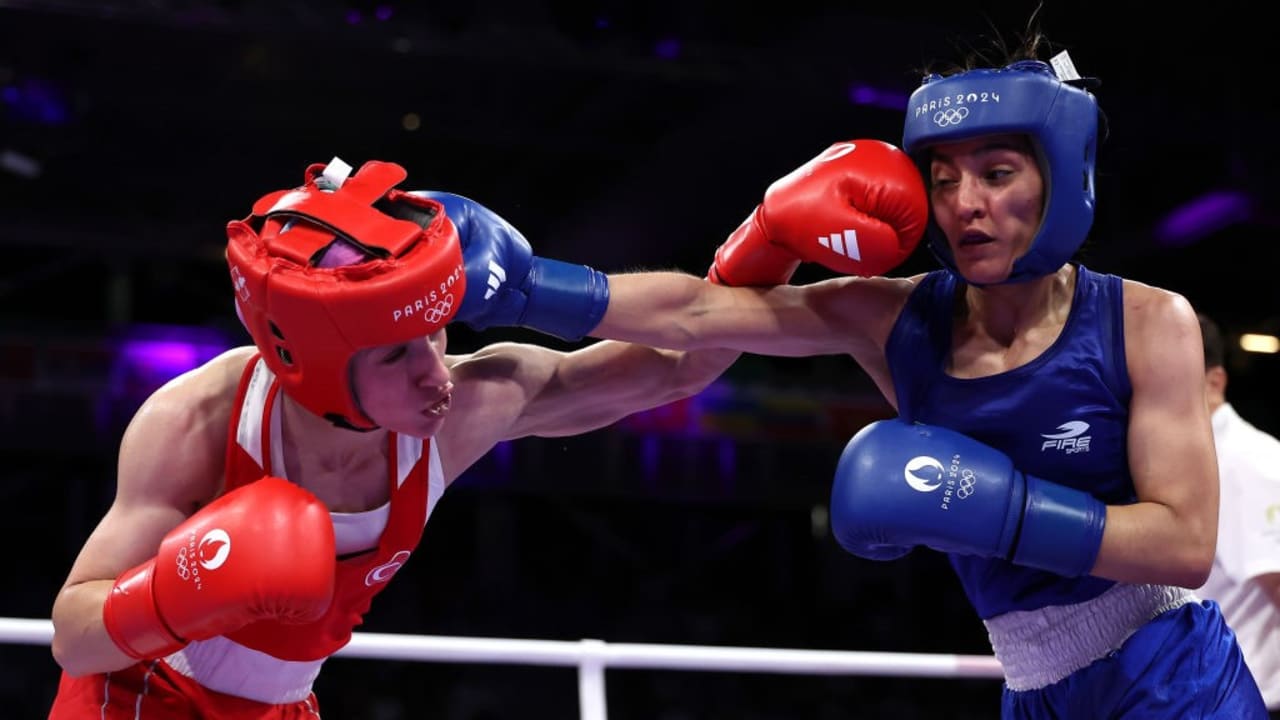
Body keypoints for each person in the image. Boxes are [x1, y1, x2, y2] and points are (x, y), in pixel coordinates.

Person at [570, 30, 1270, 718]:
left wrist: (1003, 512)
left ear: (1058, 175)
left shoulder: (1146, 322)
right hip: (1033, 690)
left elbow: (1184, 546)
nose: (966, 202)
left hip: (1171, 678)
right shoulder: (895, 318)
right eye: (943, 181)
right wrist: (524, 288)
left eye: (997, 174)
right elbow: (696, 311)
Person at [45, 156, 753, 717]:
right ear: (317, 365)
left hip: (280, 710)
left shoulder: (471, 404)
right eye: (395, 354)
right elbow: (74, 638)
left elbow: (679, 370)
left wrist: (761, 249)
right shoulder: (200, 418)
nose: (435, 373)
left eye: (436, 334)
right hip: (139, 696)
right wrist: (184, 590)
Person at [1196, 312, 1280, 717]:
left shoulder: (1251, 462)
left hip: (1255, 699)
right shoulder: (1179, 461)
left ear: (1215, 382)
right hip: (1204, 695)